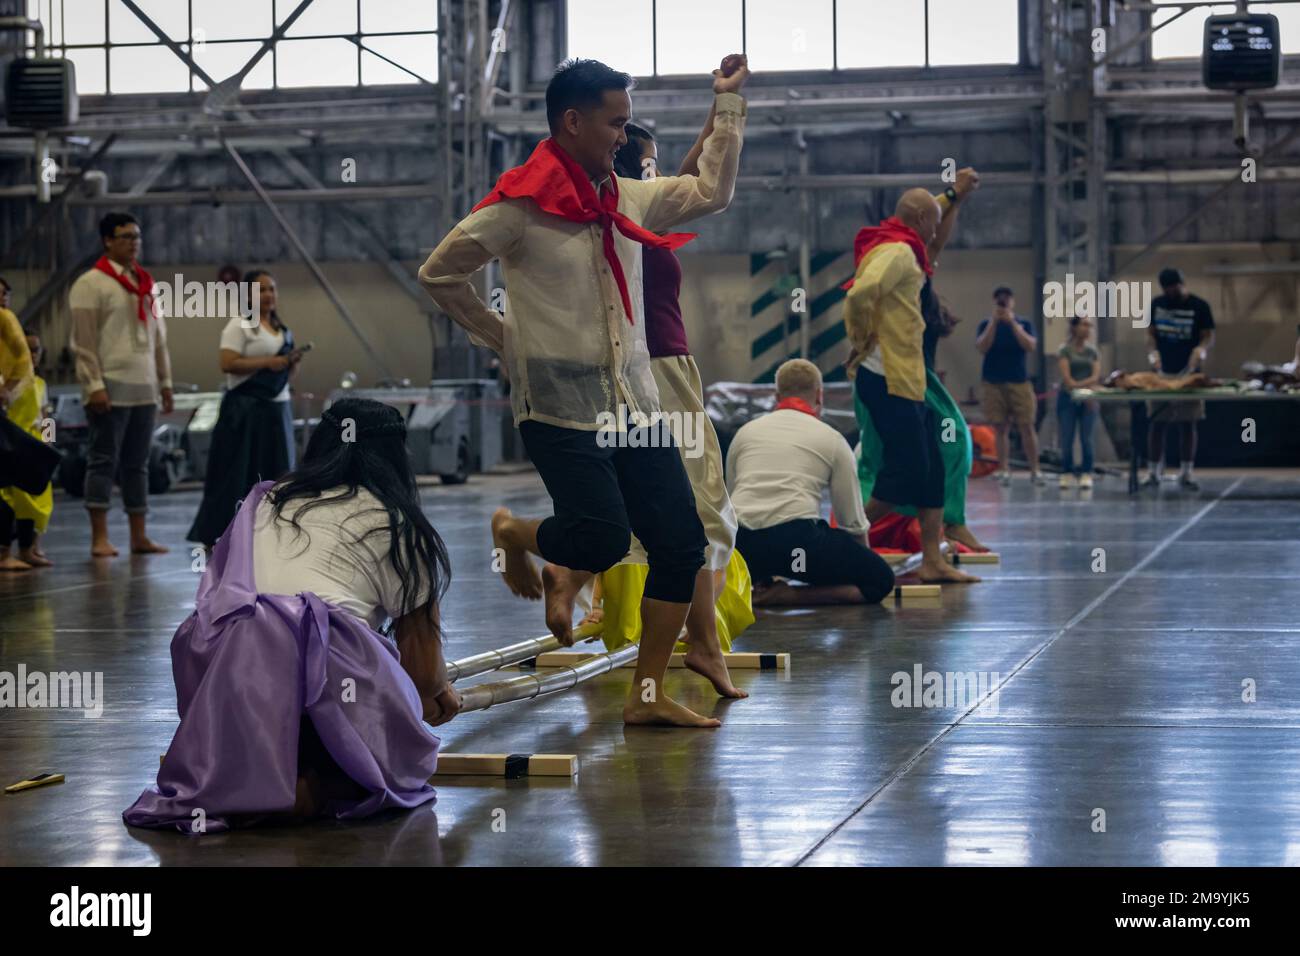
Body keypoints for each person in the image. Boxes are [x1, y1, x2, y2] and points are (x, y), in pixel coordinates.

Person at [418, 56, 749, 728]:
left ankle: (647, 696)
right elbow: (439, 273)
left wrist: (729, 107)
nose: (624, 137)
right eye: (615, 123)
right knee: (599, 540)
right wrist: (500, 335)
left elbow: (711, 192)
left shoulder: (625, 197)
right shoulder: (518, 208)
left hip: (637, 404)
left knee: (680, 544)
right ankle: (513, 531)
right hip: (560, 407)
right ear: (572, 121)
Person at [124, 398, 457, 832]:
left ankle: (266, 779)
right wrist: (438, 693)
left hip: (231, 686)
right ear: (396, 459)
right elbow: (425, 675)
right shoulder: (397, 523)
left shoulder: (267, 500)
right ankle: (310, 786)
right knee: (405, 719)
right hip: (326, 688)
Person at [569, 118, 754, 692]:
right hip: (660, 371)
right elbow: (699, 183)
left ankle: (601, 599)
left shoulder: (610, 208)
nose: (659, 169)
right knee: (703, 506)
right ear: (628, 162)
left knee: (646, 506)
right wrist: (727, 111)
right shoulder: (631, 213)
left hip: (623, 373)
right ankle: (700, 643)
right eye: (650, 160)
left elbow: (682, 175)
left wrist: (707, 122)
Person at [844, 189, 980, 586]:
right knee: (905, 472)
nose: (937, 232)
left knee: (933, 467)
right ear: (921, 220)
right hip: (884, 378)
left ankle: (933, 561)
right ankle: (848, 540)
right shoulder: (898, 253)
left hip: (906, 379)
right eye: (934, 222)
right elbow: (859, 295)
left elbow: (926, 215)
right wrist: (862, 338)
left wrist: (954, 195)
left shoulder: (903, 243)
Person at [728, 359, 895, 606]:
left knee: (763, 550)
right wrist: (864, 562)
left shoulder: (745, 433)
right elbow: (852, 521)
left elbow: (730, 501)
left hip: (743, 546)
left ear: (777, 396)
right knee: (880, 581)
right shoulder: (832, 439)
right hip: (798, 546)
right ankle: (790, 596)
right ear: (820, 396)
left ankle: (759, 585)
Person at [69, 212, 174, 557]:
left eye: (137, 236)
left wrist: (166, 382)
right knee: (103, 460)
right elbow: (82, 343)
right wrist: (94, 384)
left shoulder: (147, 283)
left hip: (145, 386)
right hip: (109, 386)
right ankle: (99, 537)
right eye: (126, 236)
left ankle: (138, 536)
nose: (134, 243)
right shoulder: (91, 283)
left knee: (138, 463)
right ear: (107, 241)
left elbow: (159, 339)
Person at [188, 270, 305, 548]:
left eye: (272, 289)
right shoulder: (238, 326)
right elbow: (227, 363)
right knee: (237, 473)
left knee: (278, 472)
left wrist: (290, 365)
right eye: (261, 290)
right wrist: (267, 362)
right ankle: (219, 531)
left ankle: (271, 531)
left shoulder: (282, 330)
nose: (268, 295)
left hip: (277, 409)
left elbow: (284, 375)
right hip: (245, 411)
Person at [1143, 267, 1215, 490]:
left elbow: (1208, 335)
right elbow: (1151, 333)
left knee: (1187, 423)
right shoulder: (1157, 304)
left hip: (1189, 373)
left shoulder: (1199, 306)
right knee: (1158, 422)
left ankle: (1187, 473)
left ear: (1182, 283)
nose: (1171, 292)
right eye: (1167, 289)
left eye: (1174, 287)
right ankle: (1153, 473)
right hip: (1163, 372)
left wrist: (1200, 350)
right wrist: (1153, 353)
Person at [975, 286, 1042, 484]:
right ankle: (1003, 468)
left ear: (1012, 302)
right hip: (993, 382)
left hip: (1019, 381)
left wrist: (1012, 323)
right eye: (999, 301)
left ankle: (1035, 469)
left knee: (1027, 426)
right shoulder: (986, 324)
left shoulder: (1024, 323)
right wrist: (994, 323)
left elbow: (1030, 345)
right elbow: (982, 347)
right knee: (1000, 428)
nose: (1003, 304)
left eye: (1006, 300)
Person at [1, 331, 54, 569]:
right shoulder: (7, 382)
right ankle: (6, 551)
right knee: (12, 501)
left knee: (40, 501)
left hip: (34, 446)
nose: (32, 355)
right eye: (27, 349)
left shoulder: (41, 384)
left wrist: (49, 443)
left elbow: (46, 415)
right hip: (12, 444)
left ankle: (29, 547)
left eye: (36, 350)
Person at [1056, 315, 1101, 489]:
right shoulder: (1065, 350)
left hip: (1088, 399)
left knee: (1087, 438)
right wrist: (1078, 386)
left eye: (1089, 326)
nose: (1087, 329)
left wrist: (1082, 389)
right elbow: (1067, 380)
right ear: (1074, 327)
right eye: (1084, 325)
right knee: (1067, 437)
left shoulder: (1093, 351)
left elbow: (1096, 376)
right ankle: (1067, 472)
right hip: (1067, 398)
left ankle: (1086, 472)